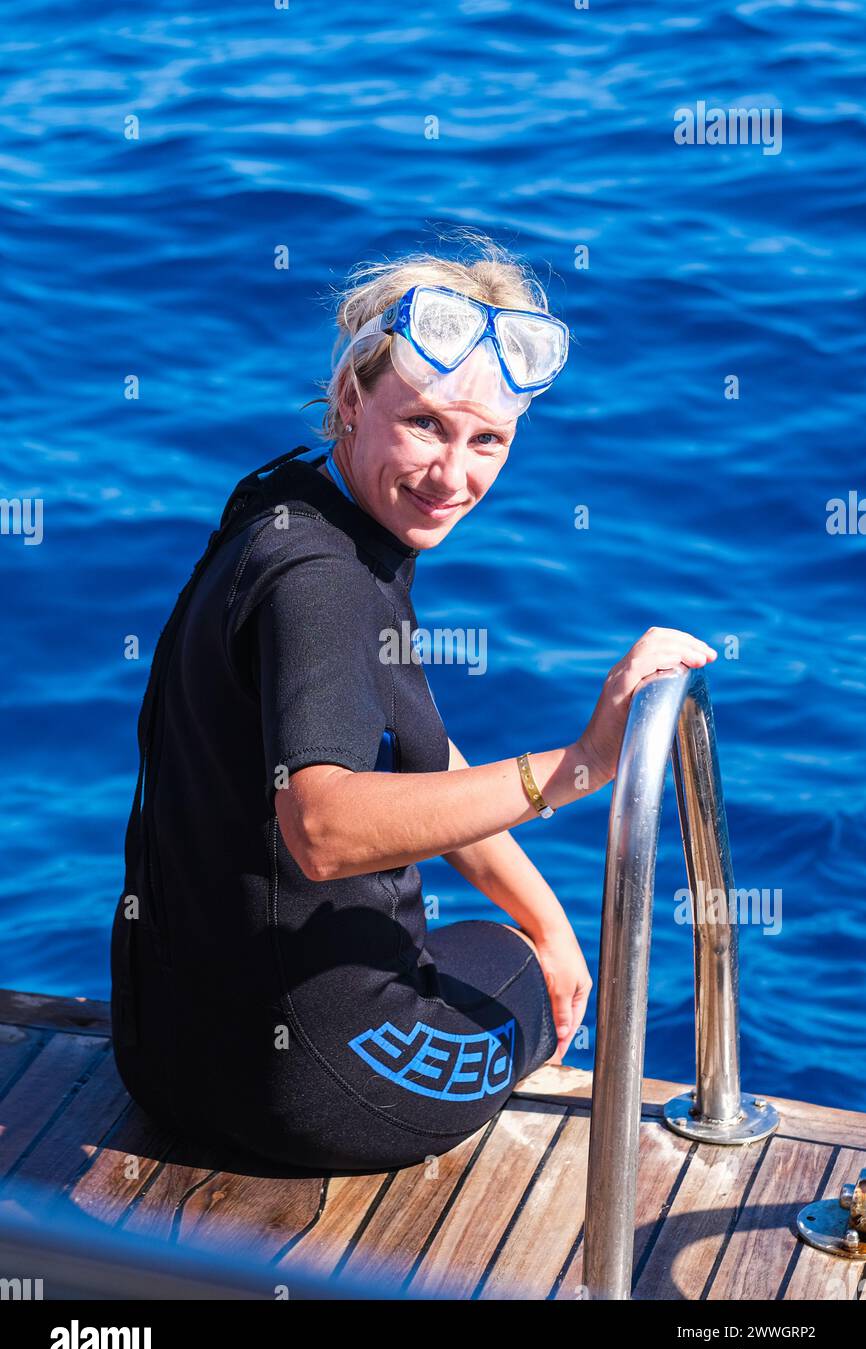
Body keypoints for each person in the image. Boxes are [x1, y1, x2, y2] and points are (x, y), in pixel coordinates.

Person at [109, 236, 716, 1173]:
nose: (453, 476)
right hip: (313, 1092)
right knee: (504, 964)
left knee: (520, 937)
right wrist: (580, 766)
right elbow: (322, 826)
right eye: (425, 425)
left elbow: (422, 756)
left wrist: (551, 918)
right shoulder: (329, 584)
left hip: (163, 1056)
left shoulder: (286, 507)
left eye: (489, 441)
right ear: (351, 400)